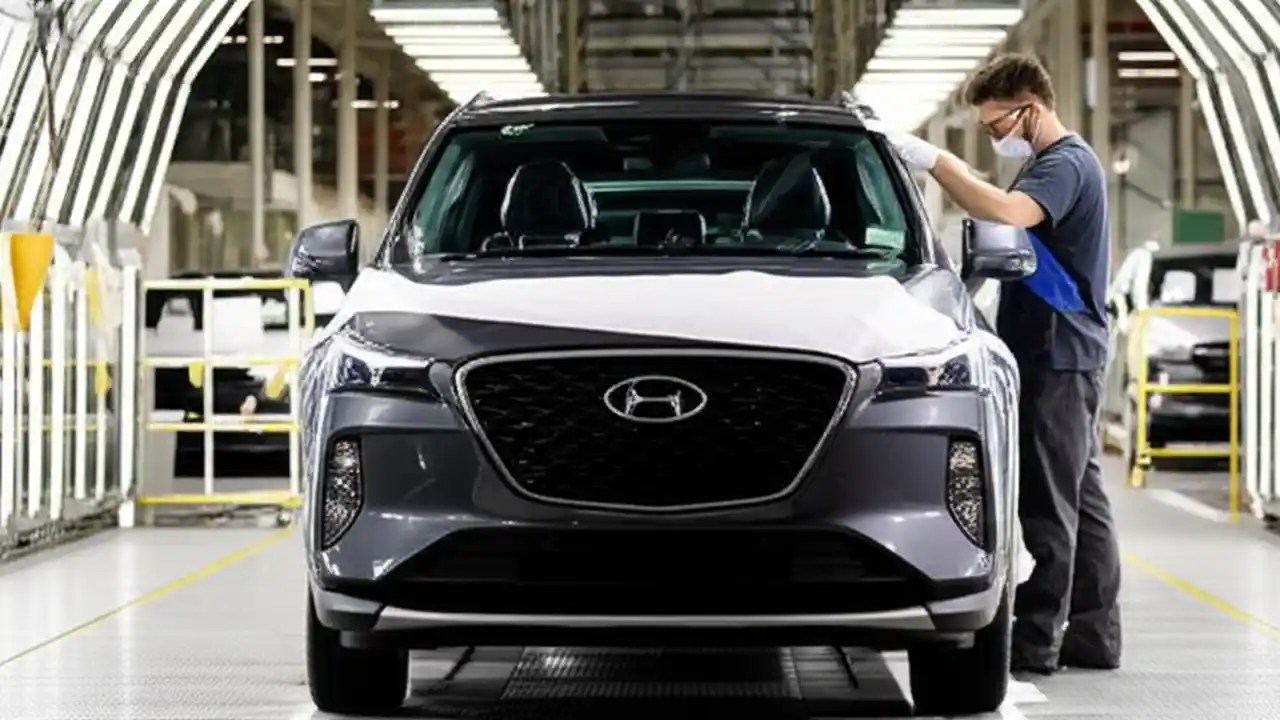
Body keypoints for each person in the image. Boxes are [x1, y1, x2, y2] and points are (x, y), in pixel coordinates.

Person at [883, 53, 1122, 674]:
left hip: (1059, 352)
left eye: (997, 126)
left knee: (1048, 505)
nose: (997, 137)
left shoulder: (1065, 164)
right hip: (1061, 349)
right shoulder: (1054, 164)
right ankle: (1094, 635)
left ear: (1030, 109)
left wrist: (941, 164)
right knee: (1081, 499)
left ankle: (1038, 639)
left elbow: (1010, 215)